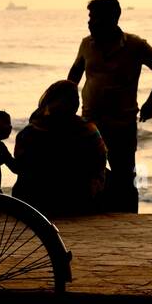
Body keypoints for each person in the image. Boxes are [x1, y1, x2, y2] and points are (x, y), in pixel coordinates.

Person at [67, 0, 152, 212]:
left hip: (122, 122)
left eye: (95, 18)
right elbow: (75, 72)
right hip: (90, 120)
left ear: (112, 18)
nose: (90, 22)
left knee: (124, 173)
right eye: (89, 17)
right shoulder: (87, 44)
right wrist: (65, 100)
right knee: (88, 170)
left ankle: (130, 216)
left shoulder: (135, 45)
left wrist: (151, 101)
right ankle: (95, 213)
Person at [12, 81, 108, 217]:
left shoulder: (29, 132)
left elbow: (20, 165)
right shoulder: (87, 129)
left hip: (33, 200)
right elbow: (100, 159)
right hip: (75, 198)